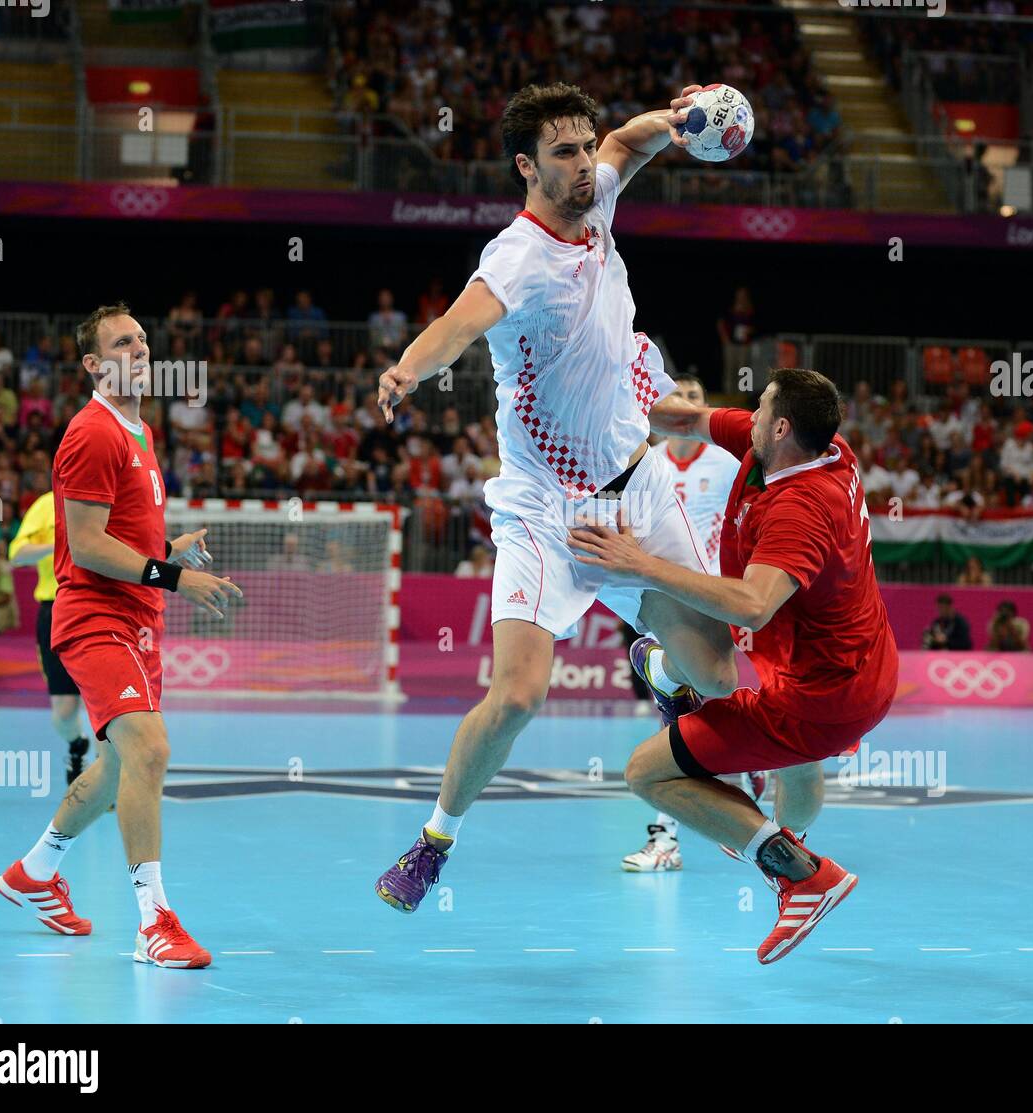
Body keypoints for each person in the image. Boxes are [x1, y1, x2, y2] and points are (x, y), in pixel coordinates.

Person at [373, 82, 740, 914]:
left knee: (717, 679)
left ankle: (651, 655)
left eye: (584, 146)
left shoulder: (599, 195)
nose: (583, 162)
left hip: (637, 490)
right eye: (565, 152)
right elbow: (458, 325)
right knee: (517, 696)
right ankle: (433, 841)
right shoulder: (517, 256)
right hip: (547, 510)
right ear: (527, 167)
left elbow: (629, 143)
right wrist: (406, 369)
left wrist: (677, 123)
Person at [568, 369, 898, 964]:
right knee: (794, 769)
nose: (748, 414)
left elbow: (751, 603)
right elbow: (686, 419)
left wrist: (638, 563)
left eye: (761, 406)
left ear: (781, 427)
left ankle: (799, 874)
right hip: (855, 663)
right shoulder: (818, 446)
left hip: (820, 698)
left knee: (647, 773)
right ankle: (781, 842)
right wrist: (598, 415)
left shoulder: (801, 508)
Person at [0, 304, 241, 970]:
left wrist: (167, 547)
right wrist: (173, 577)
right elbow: (87, 545)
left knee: (115, 770)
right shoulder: (92, 433)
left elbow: (123, 535)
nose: (138, 348)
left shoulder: (140, 431)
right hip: (94, 615)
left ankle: (36, 869)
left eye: (142, 339)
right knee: (151, 751)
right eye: (121, 342)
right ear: (94, 365)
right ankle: (153, 921)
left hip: (136, 620)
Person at [623, 372, 750, 873]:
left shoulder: (724, 462)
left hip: (723, 600)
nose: (689, 405)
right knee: (673, 711)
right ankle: (665, 839)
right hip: (667, 598)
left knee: (727, 700)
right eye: (681, 396)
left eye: (698, 398)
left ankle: (747, 783)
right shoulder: (645, 463)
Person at [8, 489, 96, 784]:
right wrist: (58, 543)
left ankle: (106, 775)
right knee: (64, 712)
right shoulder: (45, 505)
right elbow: (17, 555)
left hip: (102, 608)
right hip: (56, 611)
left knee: (108, 702)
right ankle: (77, 746)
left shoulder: (108, 500)